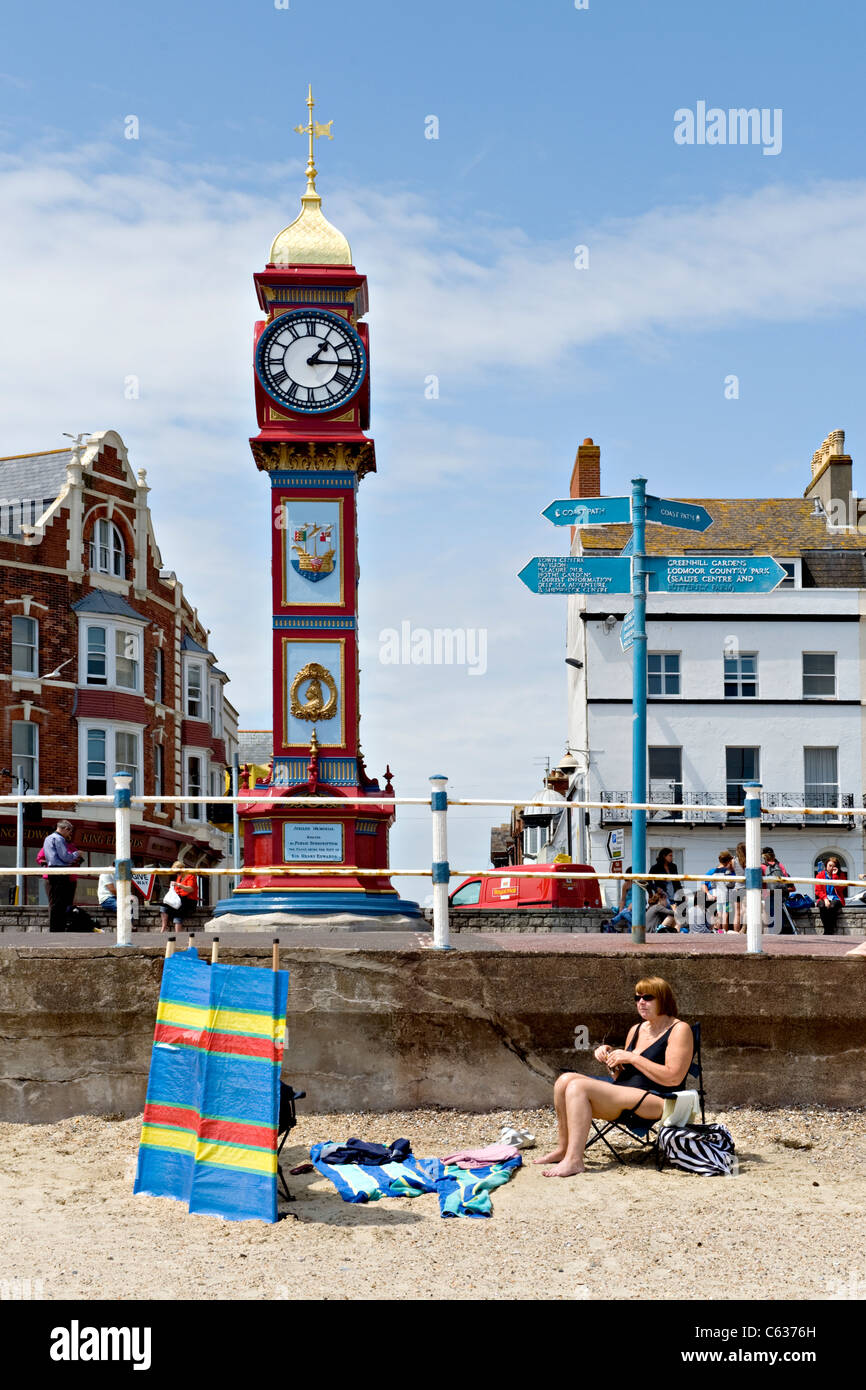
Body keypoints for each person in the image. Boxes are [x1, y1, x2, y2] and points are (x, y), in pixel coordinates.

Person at [534, 977, 694, 1177]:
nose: (641, 1002)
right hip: (627, 1091)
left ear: (663, 999)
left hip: (660, 1098)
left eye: (648, 997)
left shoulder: (679, 1030)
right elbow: (621, 1077)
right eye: (637, 998)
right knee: (565, 1080)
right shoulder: (636, 1029)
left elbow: (674, 1078)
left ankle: (575, 1160)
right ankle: (563, 1149)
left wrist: (633, 1058)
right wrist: (611, 1060)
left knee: (578, 1088)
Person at [42, 820, 82, 932]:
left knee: (54, 901)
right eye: (70, 832)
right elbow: (65, 857)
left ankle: (54, 928)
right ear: (65, 829)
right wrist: (76, 854)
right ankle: (58, 928)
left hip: (51, 871)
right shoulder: (59, 839)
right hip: (60, 872)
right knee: (61, 902)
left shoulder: (47, 838)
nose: (69, 835)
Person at [160, 861, 198, 933]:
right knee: (164, 906)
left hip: (189, 901)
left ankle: (178, 933)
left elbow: (190, 889)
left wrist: (179, 885)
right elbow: (177, 891)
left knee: (179, 911)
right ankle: (164, 926)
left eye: (178, 872)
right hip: (179, 900)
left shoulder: (190, 876)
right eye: (177, 873)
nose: (177, 874)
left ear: (182, 869)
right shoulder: (179, 877)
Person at [704, 850, 736, 932]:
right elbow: (731, 884)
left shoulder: (713, 872)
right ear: (728, 861)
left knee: (719, 914)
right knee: (726, 914)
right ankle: (724, 932)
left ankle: (718, 931)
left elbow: (708, 884)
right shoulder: (729, 872)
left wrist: (711, 893)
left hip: (717, 896)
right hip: (727, 896)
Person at [762, 846, 792, 931]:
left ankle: (772, 937)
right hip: (780, 893)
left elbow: (761, 882)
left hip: (768, 893)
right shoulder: (780, 865)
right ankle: (778, 936)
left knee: (769, 917)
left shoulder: (762, 866)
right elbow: (787, 879)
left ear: (764, 856)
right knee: (778, 917)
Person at [815, 856, 846, 935]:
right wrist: (825, 899)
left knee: (832, 906)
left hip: (836, 898)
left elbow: (840, 889)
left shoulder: (841, 875)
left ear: (837, 867)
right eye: (830, 865)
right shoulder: (820, 875)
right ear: (826, 866)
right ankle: (828, 930)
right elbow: (818, 890)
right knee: (822, 906)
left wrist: (835, 876)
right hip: (823, 897)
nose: (831, 868)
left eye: (834, 866)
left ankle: (829, 930)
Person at [603, 865, 633, 932]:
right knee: (626, 912)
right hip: (627, 906)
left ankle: (611, 923)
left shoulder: (639, 883)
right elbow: (623, 899)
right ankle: (631, 930)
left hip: (635, 905)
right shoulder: (626, 884)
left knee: (627, 911)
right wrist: (621, 910)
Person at [732, 842, 747, 932]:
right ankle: (744, 929)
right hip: (746, 888)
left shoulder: (734, 861)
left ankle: (736, 932)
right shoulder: (750, 861)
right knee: (745, 910)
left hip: (737, 888)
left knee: (737, 913)